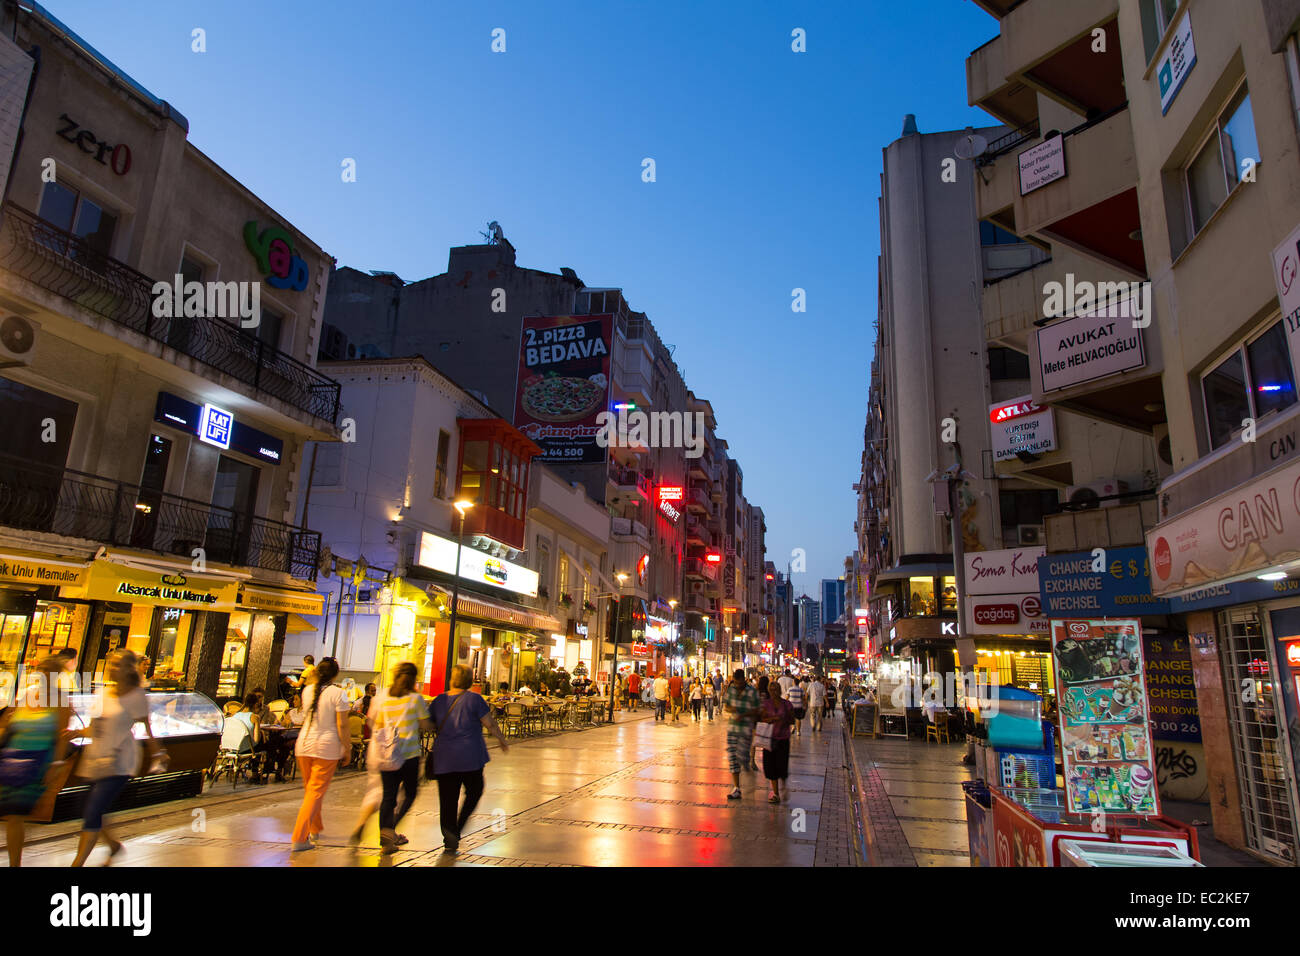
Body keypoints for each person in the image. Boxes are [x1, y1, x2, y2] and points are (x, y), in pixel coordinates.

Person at [71, 649, 166, 867]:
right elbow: (94, 728)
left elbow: (147, 728)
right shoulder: (103, 693)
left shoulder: (136, 696)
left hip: (121, 762)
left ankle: (77, 864)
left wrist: (158, 753)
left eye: (118, 665)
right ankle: (113, 845)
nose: (112, 669)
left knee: (93, 810)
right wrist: (76, 733)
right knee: (88, 807)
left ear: (129, 669)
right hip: (95, 759)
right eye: (110, 664)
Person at [428, 664, 509, 853]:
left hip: (445, 757)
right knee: (475, 790)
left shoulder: (439, 700)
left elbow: (428, 725)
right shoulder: (474, 699)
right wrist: (501, 739)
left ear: (452, 678)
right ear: (469, 680)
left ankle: (449, 834)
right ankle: (458, 826)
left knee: (447, 799)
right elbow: (489, 722)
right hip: (470, 756)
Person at [351, 662, 433, 851]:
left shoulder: (381, 697)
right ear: (413, 679)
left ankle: (386, 840)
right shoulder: (415, 699)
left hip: (386, 753)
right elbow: (425, 725)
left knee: (388, 796)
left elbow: (371, 723)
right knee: (410, 793)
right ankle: (390, 829)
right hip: (409, 755)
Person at [0, 657, 73, 867]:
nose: (42, 673)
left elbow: (61, 737)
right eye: (40, 669)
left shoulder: (61, 701)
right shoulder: (26, 694)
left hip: (36, 763)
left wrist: (56, 765)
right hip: (10, 760)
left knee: (14, 815)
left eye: (48, 670)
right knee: (13, 815)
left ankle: (15, 863)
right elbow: (6, 723)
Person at [291, 657, 350, 852]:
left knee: (311, 792)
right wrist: (347, 749)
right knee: (315, 793)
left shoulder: (307, 690)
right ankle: (300, 837)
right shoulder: (338, 694)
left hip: (303, 745)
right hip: (326, 747)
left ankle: (314, 829)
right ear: (335, 674)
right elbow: (342, 725)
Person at [722, 669, 761, 800]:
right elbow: (726, 706)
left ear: (744, 680)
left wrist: (743, 714)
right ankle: (737, 788)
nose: (737, 686)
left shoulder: (752, 692)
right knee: (733, 757)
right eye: (735, 683)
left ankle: (749, 774)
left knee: (743, 756)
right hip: (732, 729)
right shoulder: (731, 690)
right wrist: (732, 709)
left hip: (746, 729)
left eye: (739, 683)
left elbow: (757, 710)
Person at [758, 681, 795, 803]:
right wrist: (772, 719)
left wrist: (785, 719)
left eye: (776, 689)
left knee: (782, 765)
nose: (773, 692)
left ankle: (783, 785)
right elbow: (761, 718)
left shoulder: (787, 704)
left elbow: (792, 720)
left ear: (780, 691)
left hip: (783, 739)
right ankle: (776, 793)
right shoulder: (766, 704)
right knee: (770, 766)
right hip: (769, 739)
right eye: (771, 689)